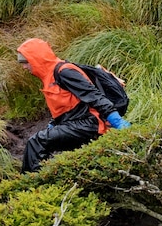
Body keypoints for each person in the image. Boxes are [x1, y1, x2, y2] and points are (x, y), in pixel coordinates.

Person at [17, 38, 130, 172]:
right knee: (45, 144)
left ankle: (31, 182)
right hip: (75, 124)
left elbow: (94, 96)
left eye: (25, 62)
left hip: (90, 124)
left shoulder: (64, 72)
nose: (24, 67)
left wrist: (116, 120)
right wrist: (53, 124)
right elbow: (67, 107)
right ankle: (46, 178)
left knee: (36, 142)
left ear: (36, 58)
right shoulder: (49, 77)